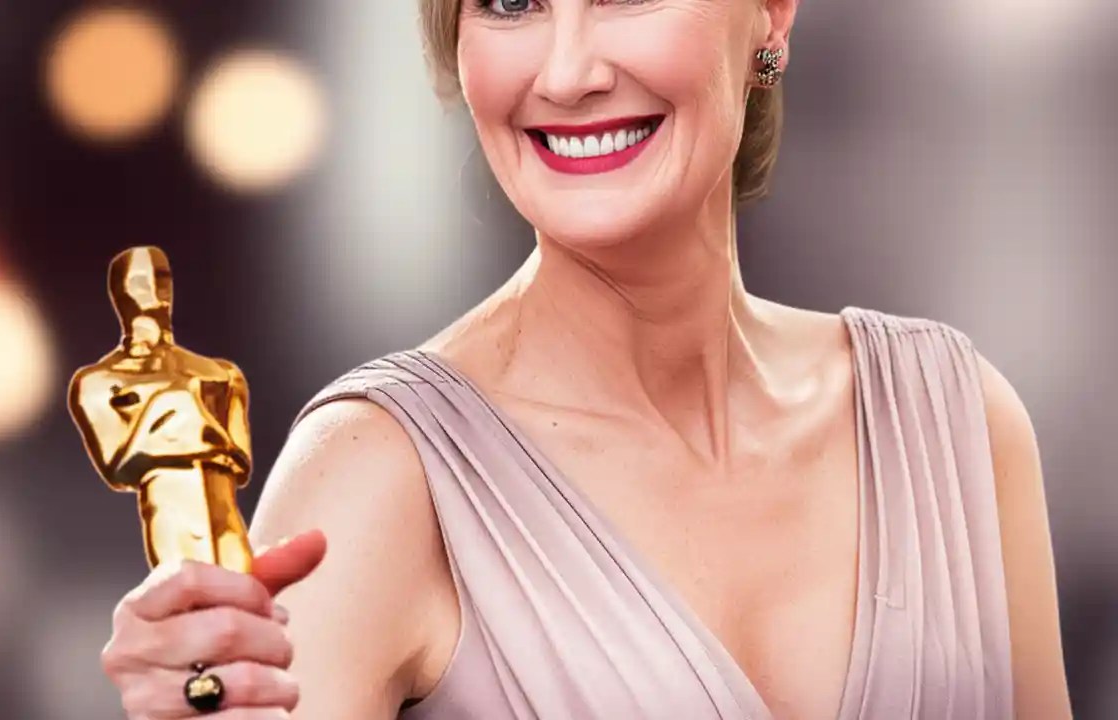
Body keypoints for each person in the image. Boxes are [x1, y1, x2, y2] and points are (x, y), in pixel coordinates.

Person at [100, 0, 1073, 717]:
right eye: (511, 3)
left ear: (771, 14)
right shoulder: (379, 481)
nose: (565, 74)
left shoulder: (960, 426)